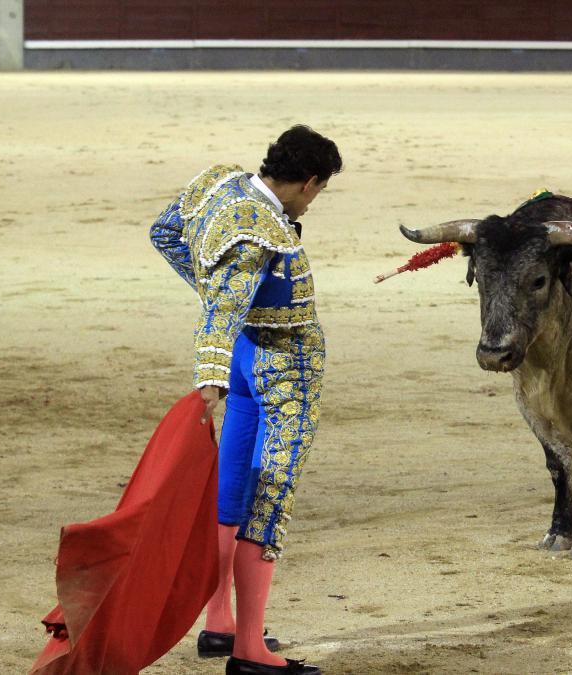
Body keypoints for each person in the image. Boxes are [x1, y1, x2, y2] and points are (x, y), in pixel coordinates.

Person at [150, 125, 341, 675]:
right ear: (309, 183)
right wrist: (208, 374)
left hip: (244, 355)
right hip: (285, 368)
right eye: (317, 190)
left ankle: (219, 622)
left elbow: (165, 234)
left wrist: (218, 294)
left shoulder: (219, 183)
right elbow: (225, 309)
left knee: (231, 487)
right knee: (269, 498)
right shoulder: (258, 232)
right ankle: (250, 650)